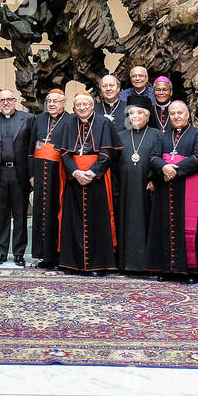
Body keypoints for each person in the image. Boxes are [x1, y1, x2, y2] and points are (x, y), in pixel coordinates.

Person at [54, 91, 119, 274]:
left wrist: (91, 172)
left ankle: (97, 265)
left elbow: (107, 152)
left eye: (86, 105)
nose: (82, 108)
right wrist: (75, 172)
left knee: (98, 221)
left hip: (97, 178)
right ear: (74, 107)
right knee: (72, 221)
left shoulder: (104, 123)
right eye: (78, 105)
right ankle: (72, 264)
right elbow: (65, 152)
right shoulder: (68, 123)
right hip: (73, 178)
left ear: (92, 106)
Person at [144, 99, 198, 279]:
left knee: (186, 227)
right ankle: (165, 268)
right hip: (165, 186)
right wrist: (164, 167)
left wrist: (174, 171)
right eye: (172, 114)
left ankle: (188, 270)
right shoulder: (162, 135)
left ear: (188, 114)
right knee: (164, 226)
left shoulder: (197, 134)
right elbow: (153, 156)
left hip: (186, 186)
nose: (176, 116)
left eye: (180, 113)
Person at [116, 104, 160, 273]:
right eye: (131, 113)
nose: (135, 116)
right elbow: (113, 163)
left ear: (147, 117)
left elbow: (160, 159)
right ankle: (124, 264)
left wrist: (154, 179)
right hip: (125, 189)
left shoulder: (157, 135)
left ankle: (147, 266)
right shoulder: (120, 136)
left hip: (147, 189)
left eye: (140, 113)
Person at [0, 88, 32, 265]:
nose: (5, 103)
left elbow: (31, 148)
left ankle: (19, 253)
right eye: (2, 100)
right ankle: (0, 252)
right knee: (0, 214)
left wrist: (32, 174)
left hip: (19, 173)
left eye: (9, 99)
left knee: (20, 214)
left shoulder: (28, 119)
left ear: (15, 101)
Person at [30, 89, 67, 268]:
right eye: (49, 101)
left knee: (56, 212)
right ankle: (44, 255)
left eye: (56, 101)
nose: (52, 104)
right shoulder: (39, 119)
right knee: (40, 212)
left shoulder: (70, 120)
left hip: (59, 174)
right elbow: (31, 149)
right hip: (39, 172)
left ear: (64, 103)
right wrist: (31, 174)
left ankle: (59, 255)